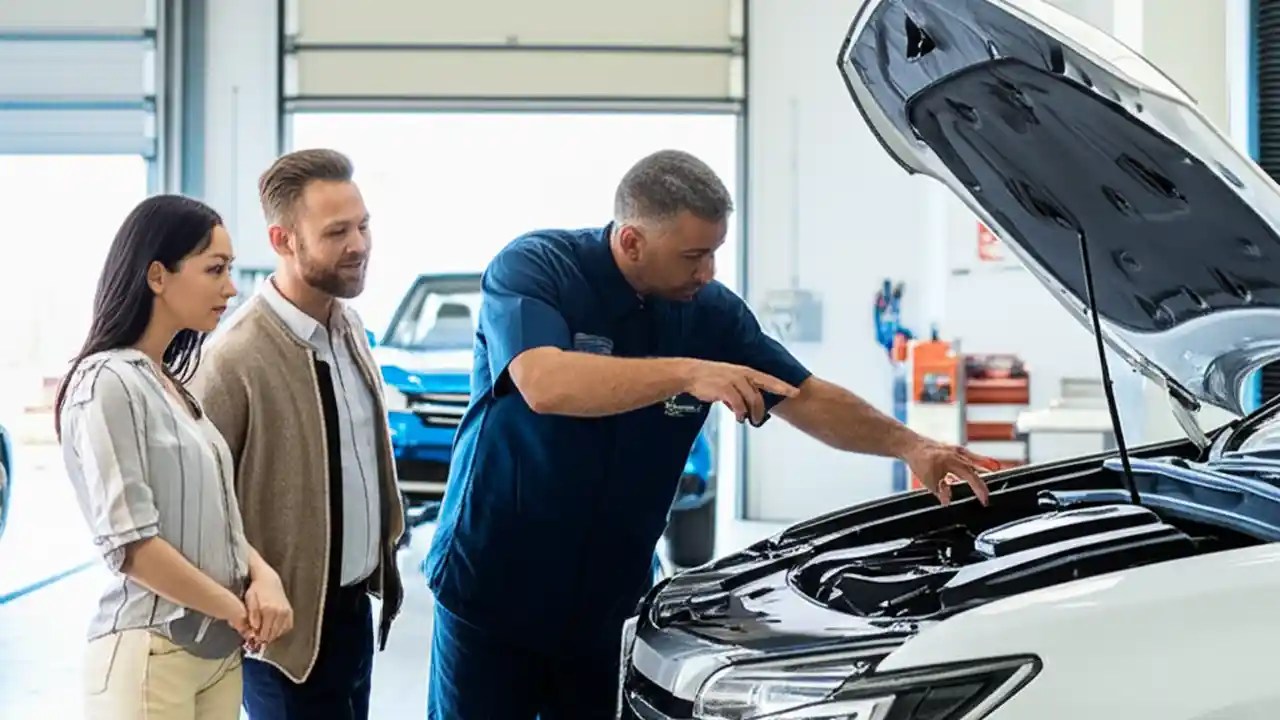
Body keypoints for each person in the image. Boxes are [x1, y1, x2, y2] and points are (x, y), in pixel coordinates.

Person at [423, 149, 1001, 719]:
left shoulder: (709, 312)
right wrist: (688, 371)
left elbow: (804, 395)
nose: (708, 273)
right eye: (694, 256)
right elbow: (543, 382)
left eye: (715, 253)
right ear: (631, 242)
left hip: (607, 599)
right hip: (497, 585)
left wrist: (911, 444)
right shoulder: (538, 267)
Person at [56, 194, 294, 720]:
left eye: (229, 270)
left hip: (216, 654)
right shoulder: (107, 381)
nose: (231, 288)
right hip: (151, 651)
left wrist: (263, 576)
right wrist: (238, 611)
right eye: (215, 269)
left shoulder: (172, 386)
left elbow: (214, 518)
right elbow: (131, 545)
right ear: (158, 275)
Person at [188, 148, 405, 720]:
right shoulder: (234, 360)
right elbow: (197, 509)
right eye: (336, 232)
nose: (358, 244)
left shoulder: (348, 326)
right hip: (285, 638)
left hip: (353, 613)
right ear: (283, 241)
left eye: (362, 225)